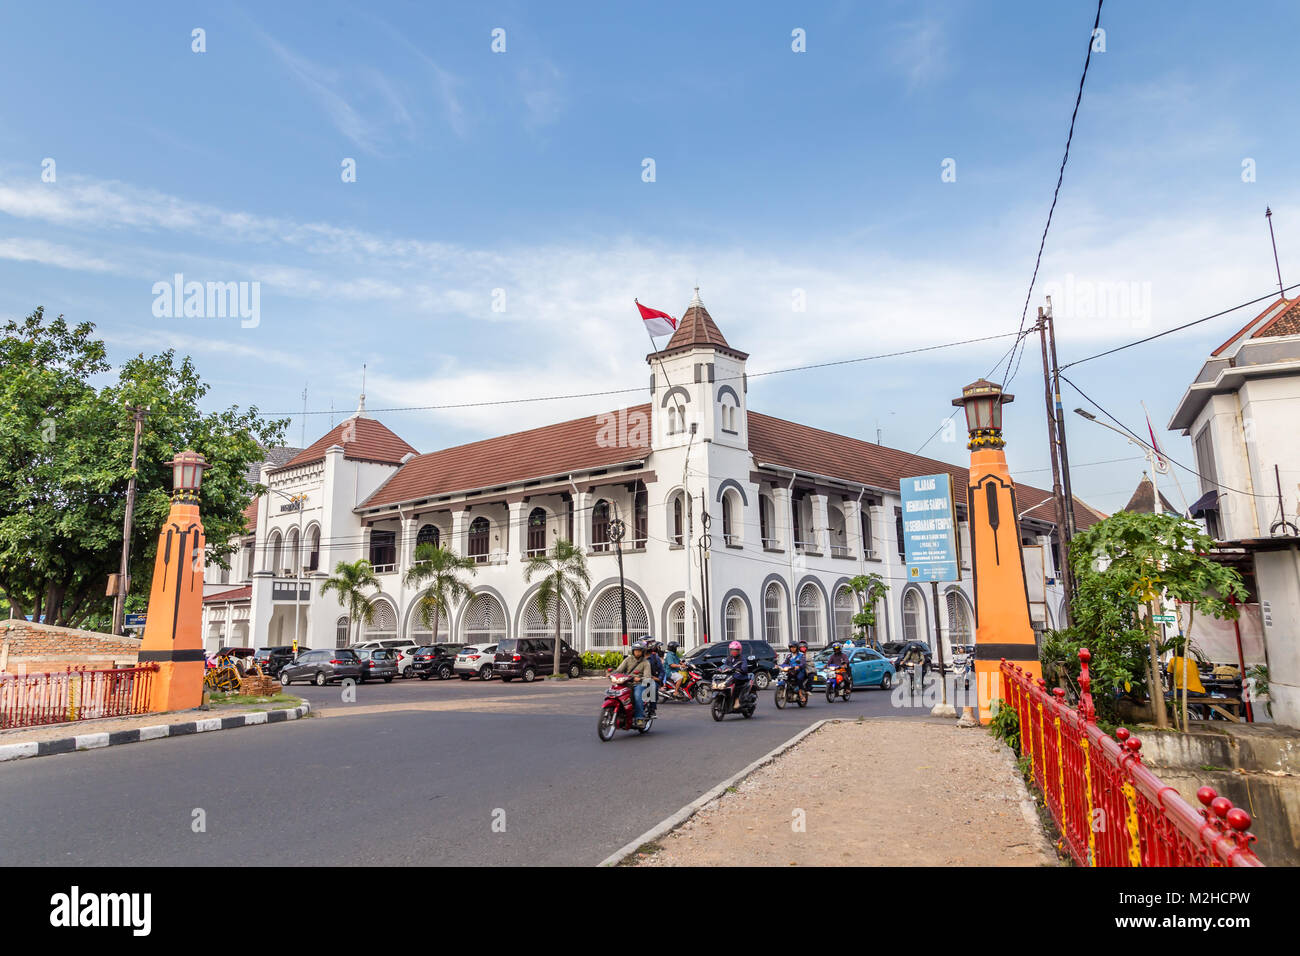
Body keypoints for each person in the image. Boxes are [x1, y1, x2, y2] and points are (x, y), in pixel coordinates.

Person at [613, 639, 654, 725]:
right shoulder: (628, 660)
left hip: (638, 684)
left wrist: (640, 679)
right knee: (615, 693)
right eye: (635, 650)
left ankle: (639, 718)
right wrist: (611, 674)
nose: (637, 652)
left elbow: (647, 677)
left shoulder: (645, 663)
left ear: (642, 652)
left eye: (639, 651)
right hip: (625, 682)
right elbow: (619, 670)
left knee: (637, 696)